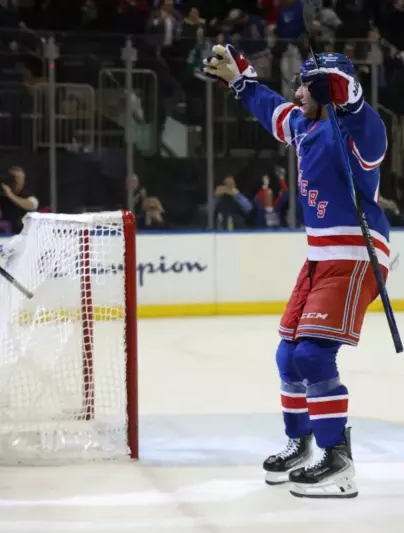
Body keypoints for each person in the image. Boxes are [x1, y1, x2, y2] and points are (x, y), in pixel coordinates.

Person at [204, 45, 389, 498]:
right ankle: (303, 444)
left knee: (312, 355)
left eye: (308, 83)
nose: (298, 89)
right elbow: (273, 109)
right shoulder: (305, 125)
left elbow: (357, 108)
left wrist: (342, 91)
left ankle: (338, 461)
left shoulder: (358, 130)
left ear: (328, 88)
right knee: (288, 357)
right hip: (320, 256)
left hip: (355, 254)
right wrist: (242, 80)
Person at [0, 166, 39, 234]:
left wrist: (11, 195)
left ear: (23, 180)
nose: (16, 180)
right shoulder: (3, 196)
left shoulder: (27, 193)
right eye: (13, 177)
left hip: (25, 234)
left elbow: (32, 205)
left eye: (19, 178)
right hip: (7, 235)